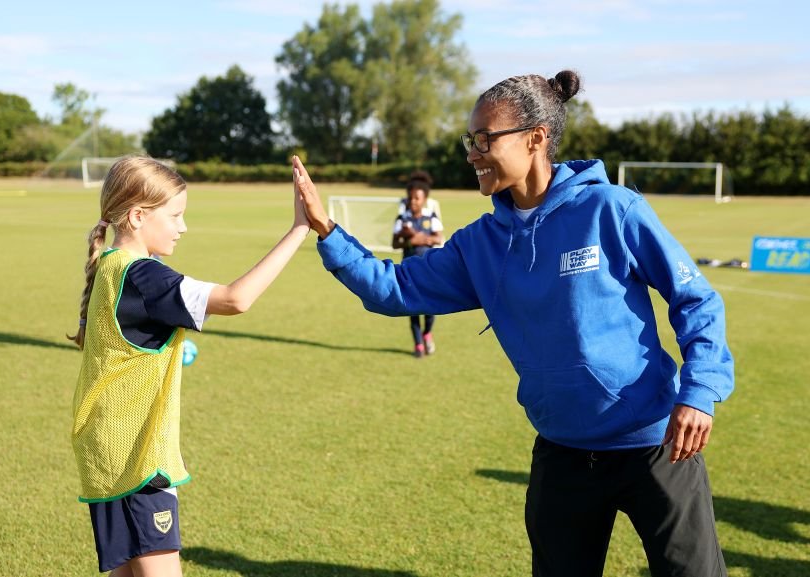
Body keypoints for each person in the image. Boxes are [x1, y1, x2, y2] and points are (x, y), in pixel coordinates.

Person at [292, 69, 734, 577]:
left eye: (485, 139)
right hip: (562, 453)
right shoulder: (478, 243)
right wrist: (327, 230)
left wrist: (699, 391)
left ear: (535, 138)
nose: (472, 153)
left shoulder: (612, 208)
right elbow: (396, 289)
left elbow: (695, 299)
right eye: (470, 140)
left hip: (654, 446)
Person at [68, 155, 309, 576]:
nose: (183, 227)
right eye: (175, 215)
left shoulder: (110, 264)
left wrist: (171, 349)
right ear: (139, 216)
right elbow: (237, 299)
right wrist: (299, 229)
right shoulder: (145, 277)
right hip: (139, 458)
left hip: (105, 452)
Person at [392, 172, 444, 357]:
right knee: (412, 308)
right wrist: (409, 241)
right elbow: (394, 243)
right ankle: (418, 345)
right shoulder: (402, 220)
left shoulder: (431, 217)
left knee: (431, 308)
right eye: (411, 198)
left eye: (417, 198)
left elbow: (439, 237)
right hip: (408, 271)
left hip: (429, 270)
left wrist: (422, 238)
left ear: (425, 199)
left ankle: (427, 332)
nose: (413, 201)